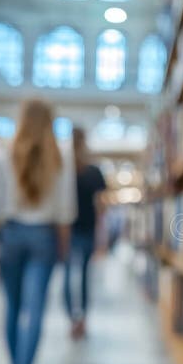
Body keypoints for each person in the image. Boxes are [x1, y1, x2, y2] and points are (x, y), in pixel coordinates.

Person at [0, 99, 76, 364]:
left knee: (12, 307)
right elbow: (65, 210)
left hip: (10, 236)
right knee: (35, 311)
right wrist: (63, 247)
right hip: (44, 238)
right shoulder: (60, 157)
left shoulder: (0, 153)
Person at [63, 127, 106, 339]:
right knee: (85, 277)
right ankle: (83, 319)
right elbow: (100, 206)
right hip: (87, 230)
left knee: (67, 275)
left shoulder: (64, 169)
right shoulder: (93, 171)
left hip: (67, 230)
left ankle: (73, 318)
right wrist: (101, 234)